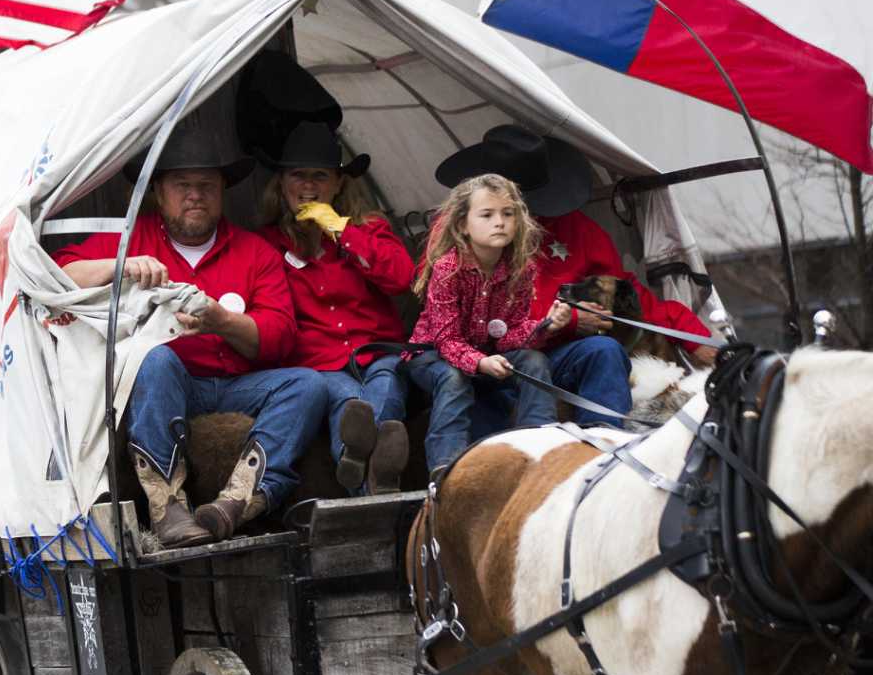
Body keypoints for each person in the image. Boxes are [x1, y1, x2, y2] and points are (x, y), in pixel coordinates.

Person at [53, 109, 323, 547]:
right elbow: (60, 276)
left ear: (222, 193)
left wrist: (222, 321)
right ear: (159, 193)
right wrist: (116, 266)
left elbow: (279, 338)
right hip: (168, 382)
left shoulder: (255, 251)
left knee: (309, 384)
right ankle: (168, 508)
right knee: (154, 357)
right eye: (183, 186)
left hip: (240, 382)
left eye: (206, 186)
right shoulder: (130, 240)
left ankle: (238, 501)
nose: (195, 195)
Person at [434, 127, 719, 427]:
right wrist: (570, 322)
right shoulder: (459, 234)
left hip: (563, 355)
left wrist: (690, 336)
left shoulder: (576, 228)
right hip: (487, 361)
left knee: (605, 351)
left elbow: (624, 293)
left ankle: (601, 442)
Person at [253, 121, 416, 495]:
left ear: (339, 183)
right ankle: (373, 484)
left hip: (378, 353)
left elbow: (401, 279)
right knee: (347, 400)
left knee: (387, 382)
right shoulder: (266, 244)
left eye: (320, 176)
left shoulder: (368, 228)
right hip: (318, 362)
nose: (309, 186)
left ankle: (360, 467)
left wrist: (341, 229)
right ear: (281, 182)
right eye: (298, 175)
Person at [404, 174, 561, 475]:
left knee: (533, 360)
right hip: (431, 355)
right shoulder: (448, 268)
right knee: (454, 378)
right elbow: (447, 340)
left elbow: (509, 336)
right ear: (463, 225)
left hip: (484, 354)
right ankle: (445, 467)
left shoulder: (521, 269)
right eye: (487, 215)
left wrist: (545, 326)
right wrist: (480, 362)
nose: (499, 222)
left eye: (508, 214)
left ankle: (540, 445)